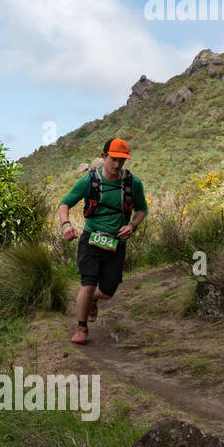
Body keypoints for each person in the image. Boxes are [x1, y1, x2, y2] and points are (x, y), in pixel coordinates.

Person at [57, 138, 148, 344]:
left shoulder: (133, 183)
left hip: (116, 243)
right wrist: (66, 225)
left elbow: (142, 209)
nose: (117, 165)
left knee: (107, 291)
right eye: (114, 159)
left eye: (122, 161)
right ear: (104, 156)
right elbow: (64, 204)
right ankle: (81, 328)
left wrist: (132, 226)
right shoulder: (89, 181)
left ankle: (94, 300)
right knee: (87, 285)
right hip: (91, 238)